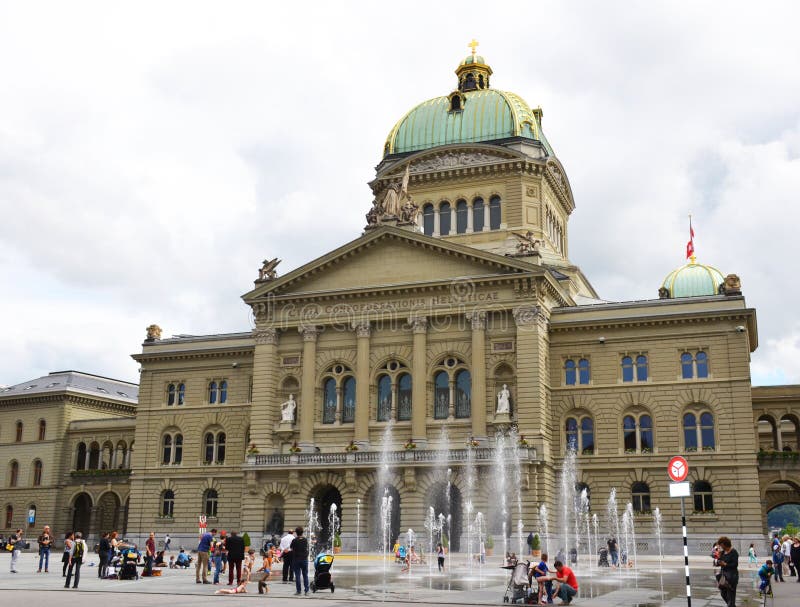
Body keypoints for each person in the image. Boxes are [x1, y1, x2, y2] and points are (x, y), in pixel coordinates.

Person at [715, 536, 739, 607]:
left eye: (720, 545)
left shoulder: (733, 552)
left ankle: (731, 605)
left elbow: (735, 564)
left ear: (724, 544)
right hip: (723, 577)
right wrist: (718, 559)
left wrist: (725, 564)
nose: (720, 546)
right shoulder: (722, 552)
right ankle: (731, 605)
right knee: (723, 594)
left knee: (731, 596)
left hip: (732, 577)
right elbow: (718, 563)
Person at [290, 526, 310, 595]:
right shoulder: (305, 540)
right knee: (305, 575)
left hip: (296, 559)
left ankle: (298, 591)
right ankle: (306, 590)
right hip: (304, 559)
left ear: (296, 533)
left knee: (297, 575)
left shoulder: (294, 540)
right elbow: (306, 548)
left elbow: (291, 548)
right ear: (302, 532)